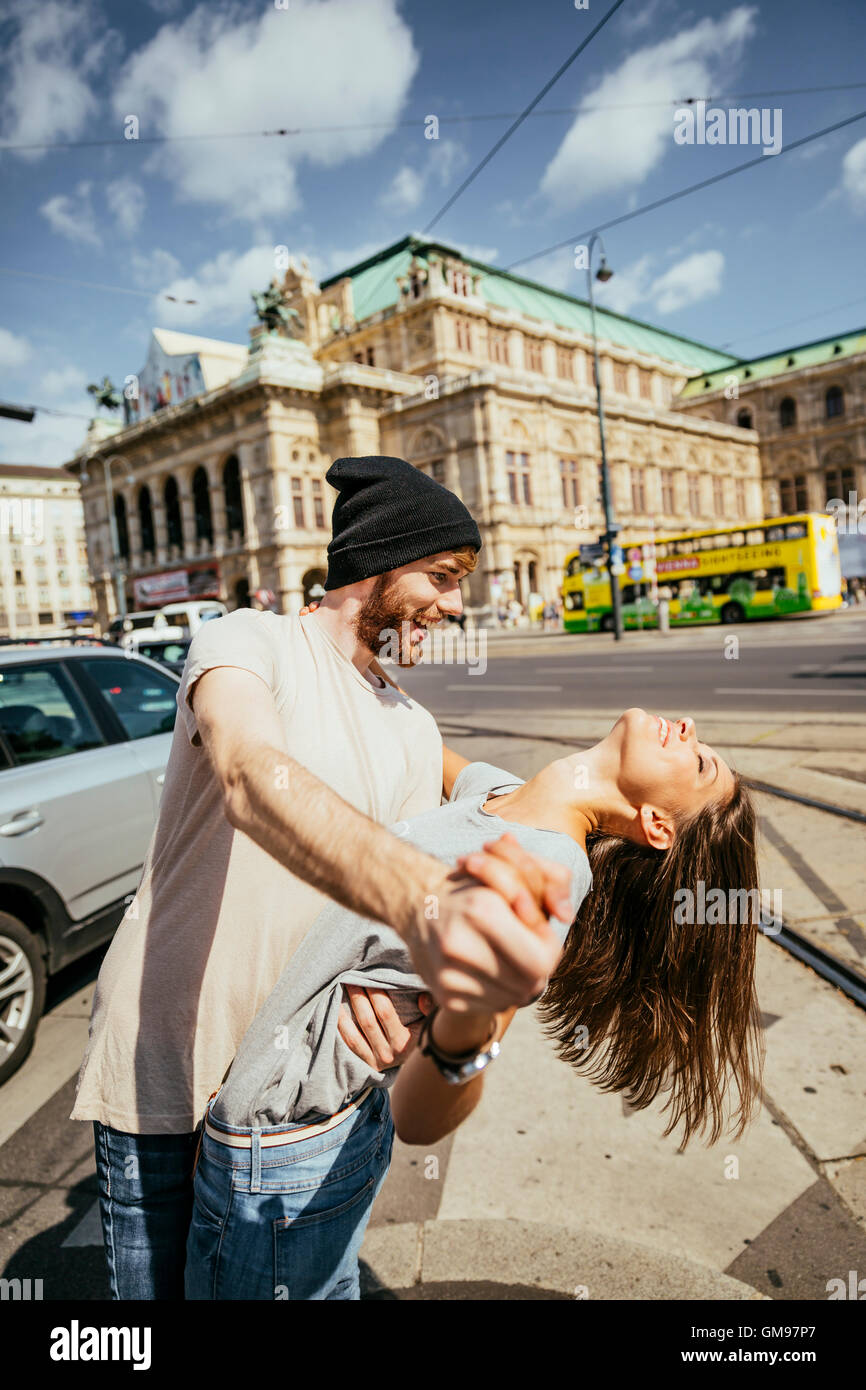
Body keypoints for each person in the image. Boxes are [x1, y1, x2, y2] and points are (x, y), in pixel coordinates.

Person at [71, 454, 569, 1300]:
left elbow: (373, 917)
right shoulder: (249, 640)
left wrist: (398, 1000)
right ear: (377, 561)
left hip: (290, 1103)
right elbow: (249, 771)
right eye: (443, 576)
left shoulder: (412, 723)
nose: (456, 604)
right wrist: (423, 901)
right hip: (167, 1056)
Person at [184, 707, 765, 1300]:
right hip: (280, 1133)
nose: (688, 725)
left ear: (657, 825)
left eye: (698, 763)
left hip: (284, 1156)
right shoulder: (505, 793)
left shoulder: (546, 873)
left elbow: (419, 1118)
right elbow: (409, 728)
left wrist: (465, 1018)